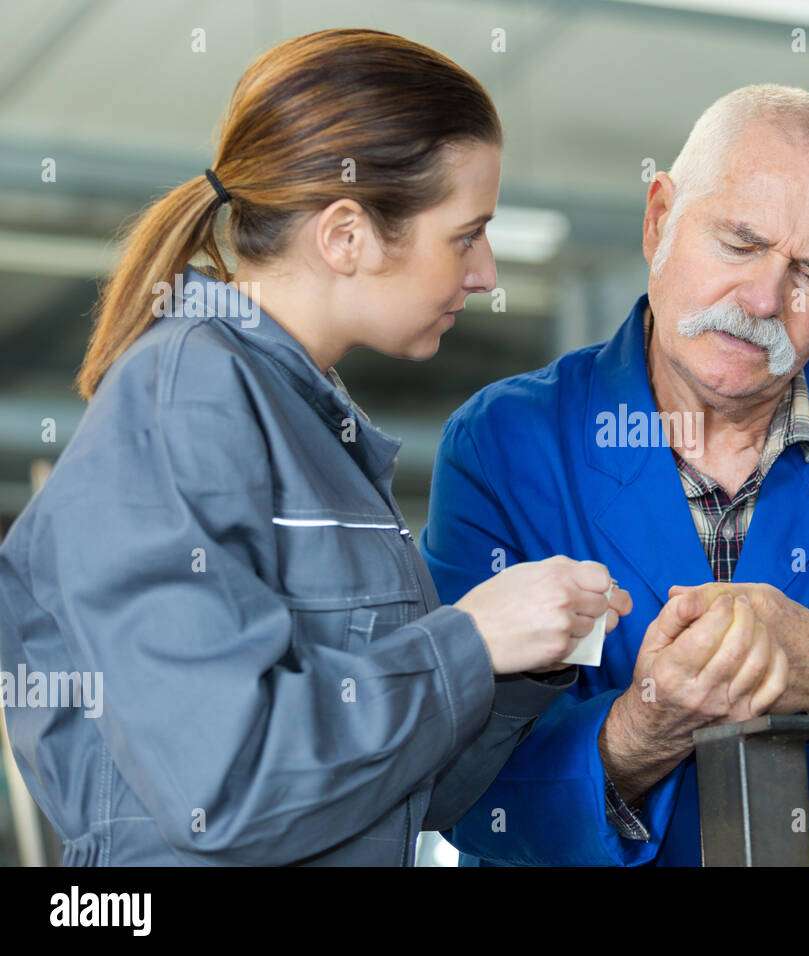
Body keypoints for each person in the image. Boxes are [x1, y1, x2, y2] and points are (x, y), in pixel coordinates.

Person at [0, 28, 629, 866]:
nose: (484, 273)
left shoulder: (319, 431)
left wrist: (519, 661)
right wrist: (469, 639)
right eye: (466, 234)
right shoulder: (183, 399)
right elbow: (221, 790)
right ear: (345, 236)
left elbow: (405, 795)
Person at [421, 84, 809, 867]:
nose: (765, 299)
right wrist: (642, 727)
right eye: (740, 244)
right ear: (658, 219)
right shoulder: (504, 442)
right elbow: (459, 782)